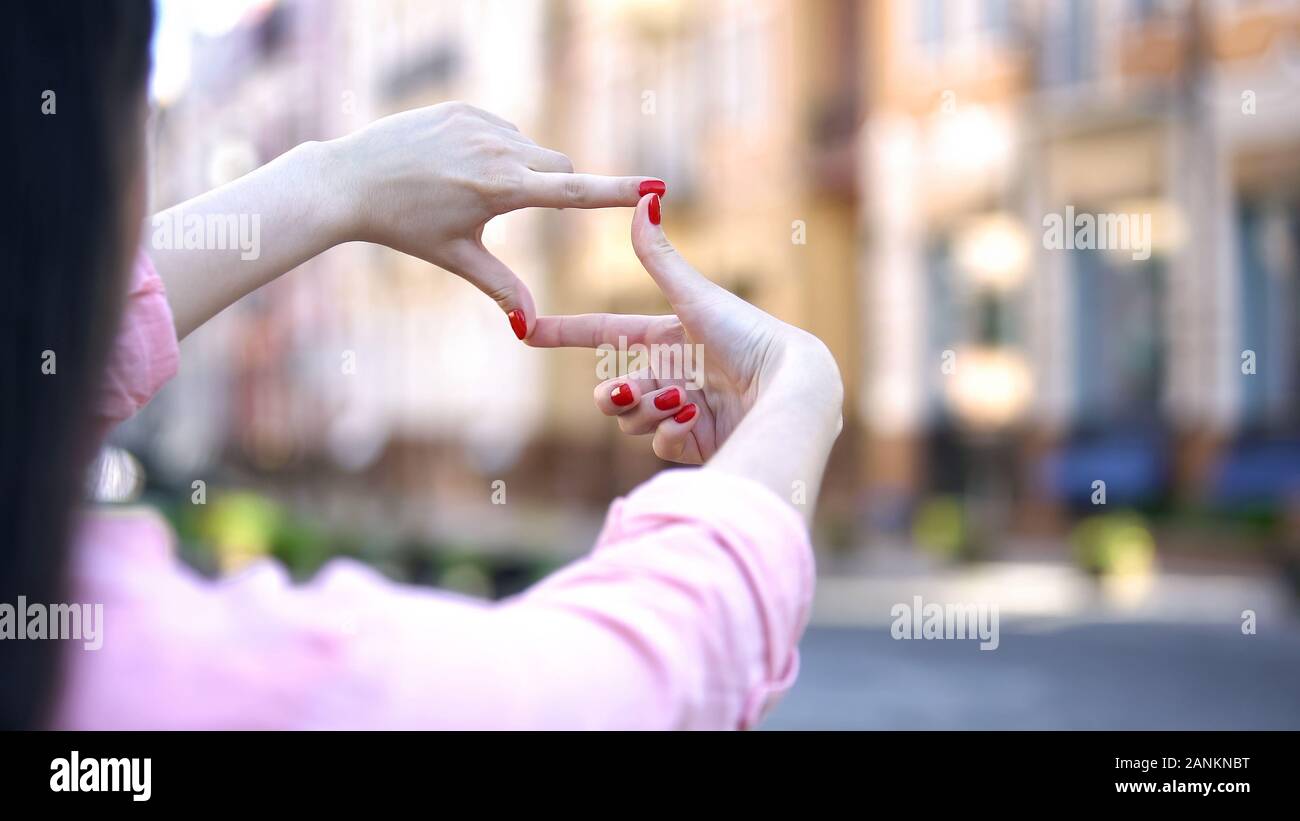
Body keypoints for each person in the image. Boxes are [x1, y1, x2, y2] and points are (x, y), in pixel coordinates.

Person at [2, 1, 842, 730]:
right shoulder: (164, 675)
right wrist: (797, 389)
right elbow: (637, 684)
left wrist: (341, 180)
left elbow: (43, 340)